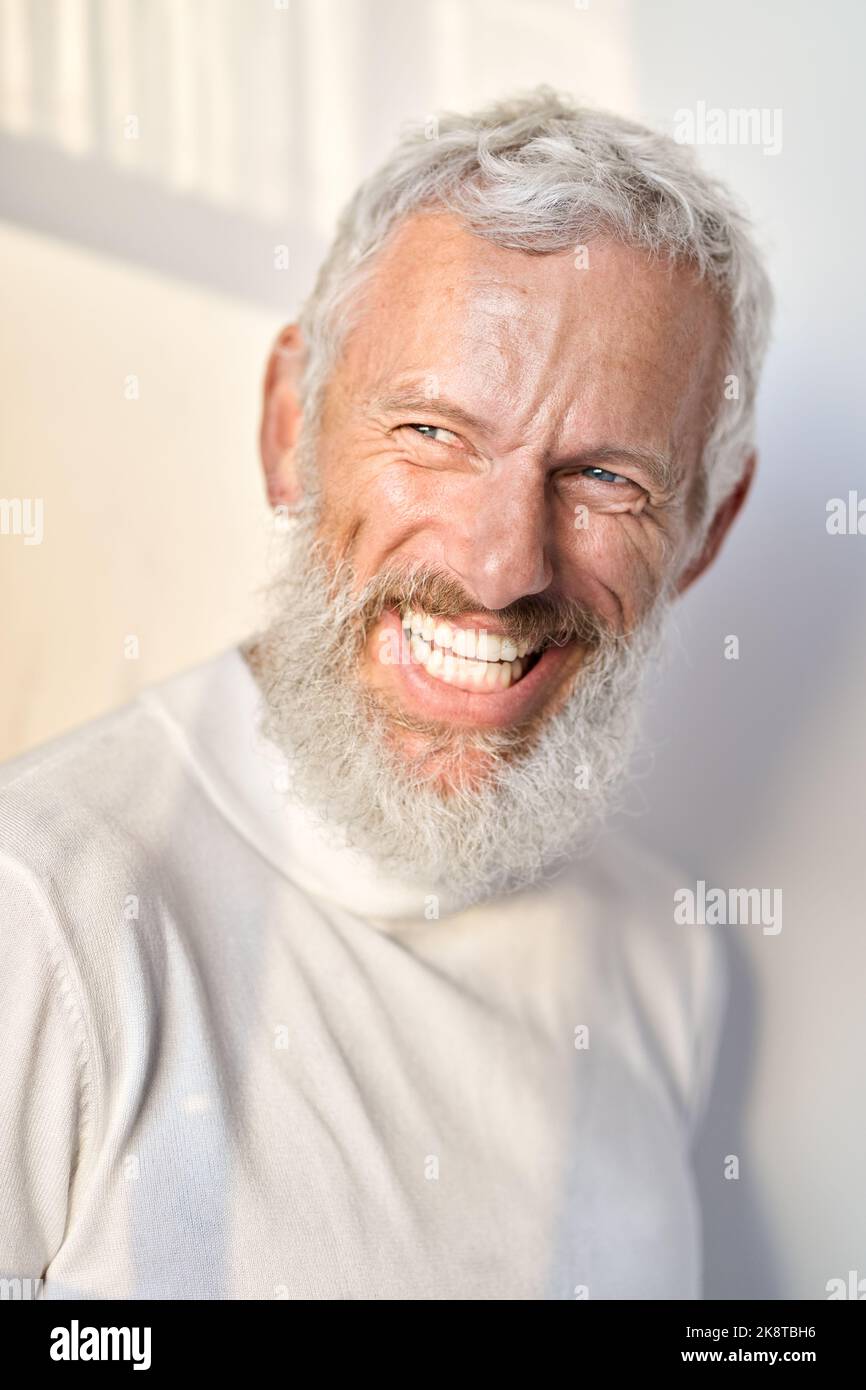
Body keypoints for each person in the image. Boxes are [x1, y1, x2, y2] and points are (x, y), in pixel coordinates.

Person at [0, 88, 772, 1299]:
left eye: (604, 478)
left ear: (703, 533)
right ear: (286, 428)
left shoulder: (665, 950)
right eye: (429, 430)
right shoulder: (36, 918)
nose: (498, 565)